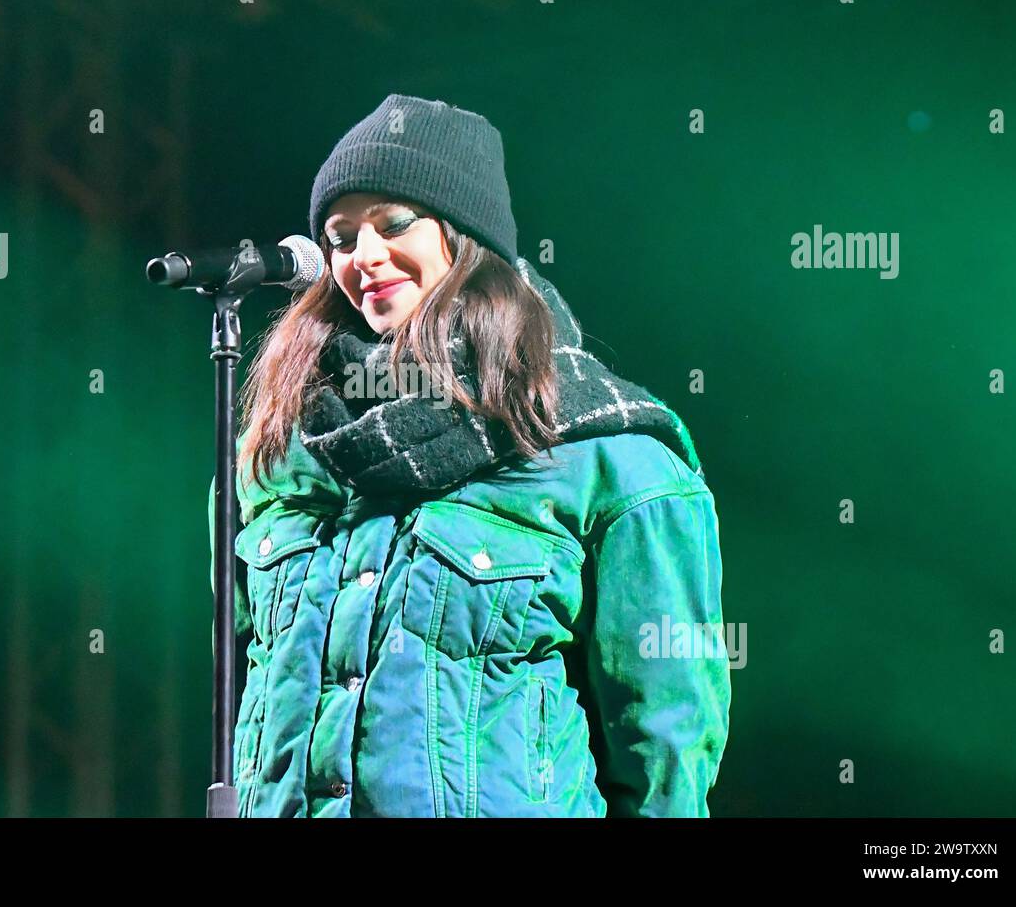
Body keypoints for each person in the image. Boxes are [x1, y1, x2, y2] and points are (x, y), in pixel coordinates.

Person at [208, 93, 731, 817]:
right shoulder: (274, 455)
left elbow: (665, 748)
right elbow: (247, 689)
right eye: (340, 236)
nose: (364, 257)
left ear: (466, 234)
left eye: (393, 223)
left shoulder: (614, 462)